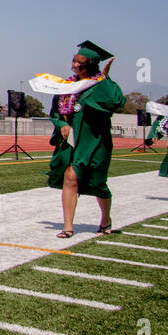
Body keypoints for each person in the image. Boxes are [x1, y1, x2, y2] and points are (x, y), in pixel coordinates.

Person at [45, 41, 125, 236]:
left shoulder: (100, 85)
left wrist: (105, 78)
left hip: (95, 141)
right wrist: (62, 124)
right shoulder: (67, 86)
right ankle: (68, 226)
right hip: (72, 141)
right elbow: (55, 113)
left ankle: (106, 218)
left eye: (80, 62)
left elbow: (116, 101)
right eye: (74, 61)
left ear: (91, 64)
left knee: (98, 184)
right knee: (70, 177)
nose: (75, 65)